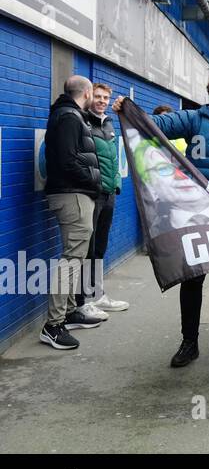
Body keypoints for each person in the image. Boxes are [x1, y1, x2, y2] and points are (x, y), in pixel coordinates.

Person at [114, 72, 209, 365]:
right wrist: (129, 110)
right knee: (194, 274)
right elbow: (154, 125)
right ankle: (189, 342)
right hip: (200, 209)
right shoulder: (195, 120)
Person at [39, 77, 104, 350]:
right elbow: (66, 161)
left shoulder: (71, 115)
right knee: (71, 259)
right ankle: (52, 326)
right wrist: (92, 178)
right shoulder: (69, 117)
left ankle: (68, 313)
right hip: (72, 194)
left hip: (76, 193)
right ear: (87, 92)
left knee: (75, 257)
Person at [77, 82, 129, 318]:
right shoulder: (83, 122)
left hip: (109, 193)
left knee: (100, 246)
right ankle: (83, 299)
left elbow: (113, 157)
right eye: (97, 96)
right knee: (87, 247)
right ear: (90, 97)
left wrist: (116, 182)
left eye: (105, 98)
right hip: (92, 194)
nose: (101, 101)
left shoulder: (108, 123)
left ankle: (97, 294)